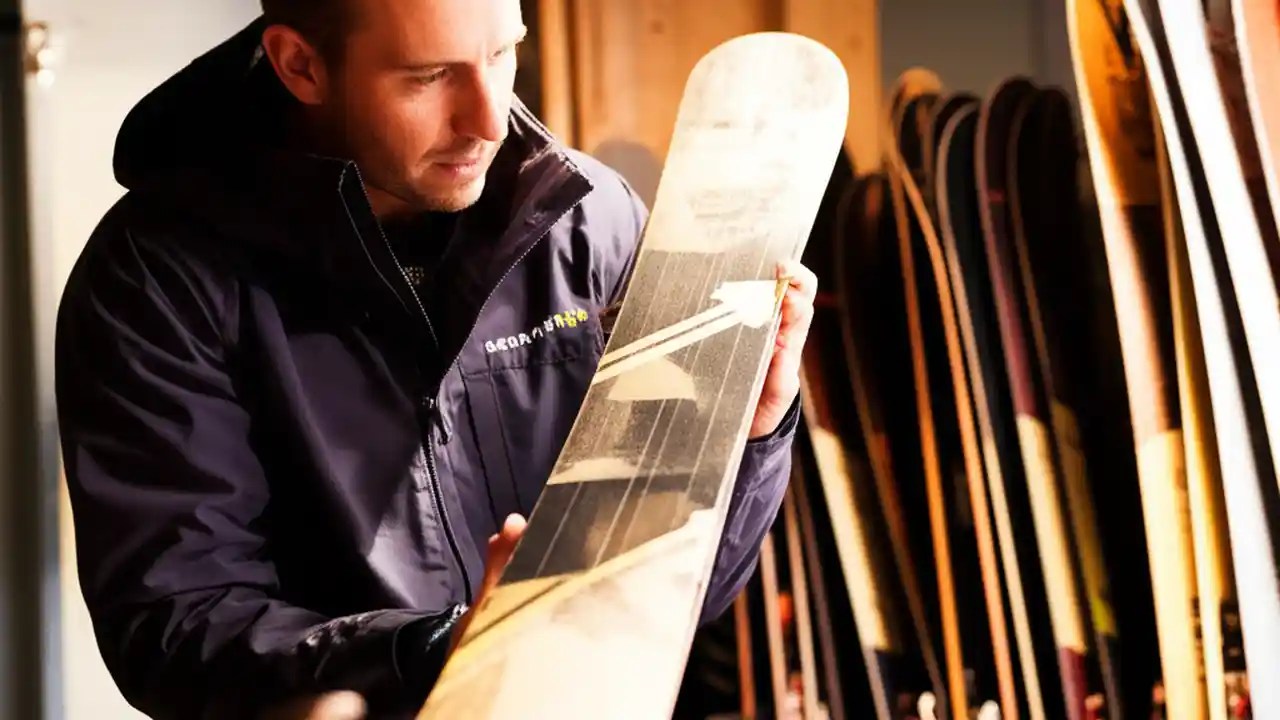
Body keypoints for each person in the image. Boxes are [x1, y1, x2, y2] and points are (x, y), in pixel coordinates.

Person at [53, 0, 818, 718]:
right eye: (429, 76)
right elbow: (176, 628)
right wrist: (440, 650)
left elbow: (677, 600)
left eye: (503, 53)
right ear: (300, 66)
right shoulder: (157, 279)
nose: (488, 119)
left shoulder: (591, 224)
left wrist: (745, 437)